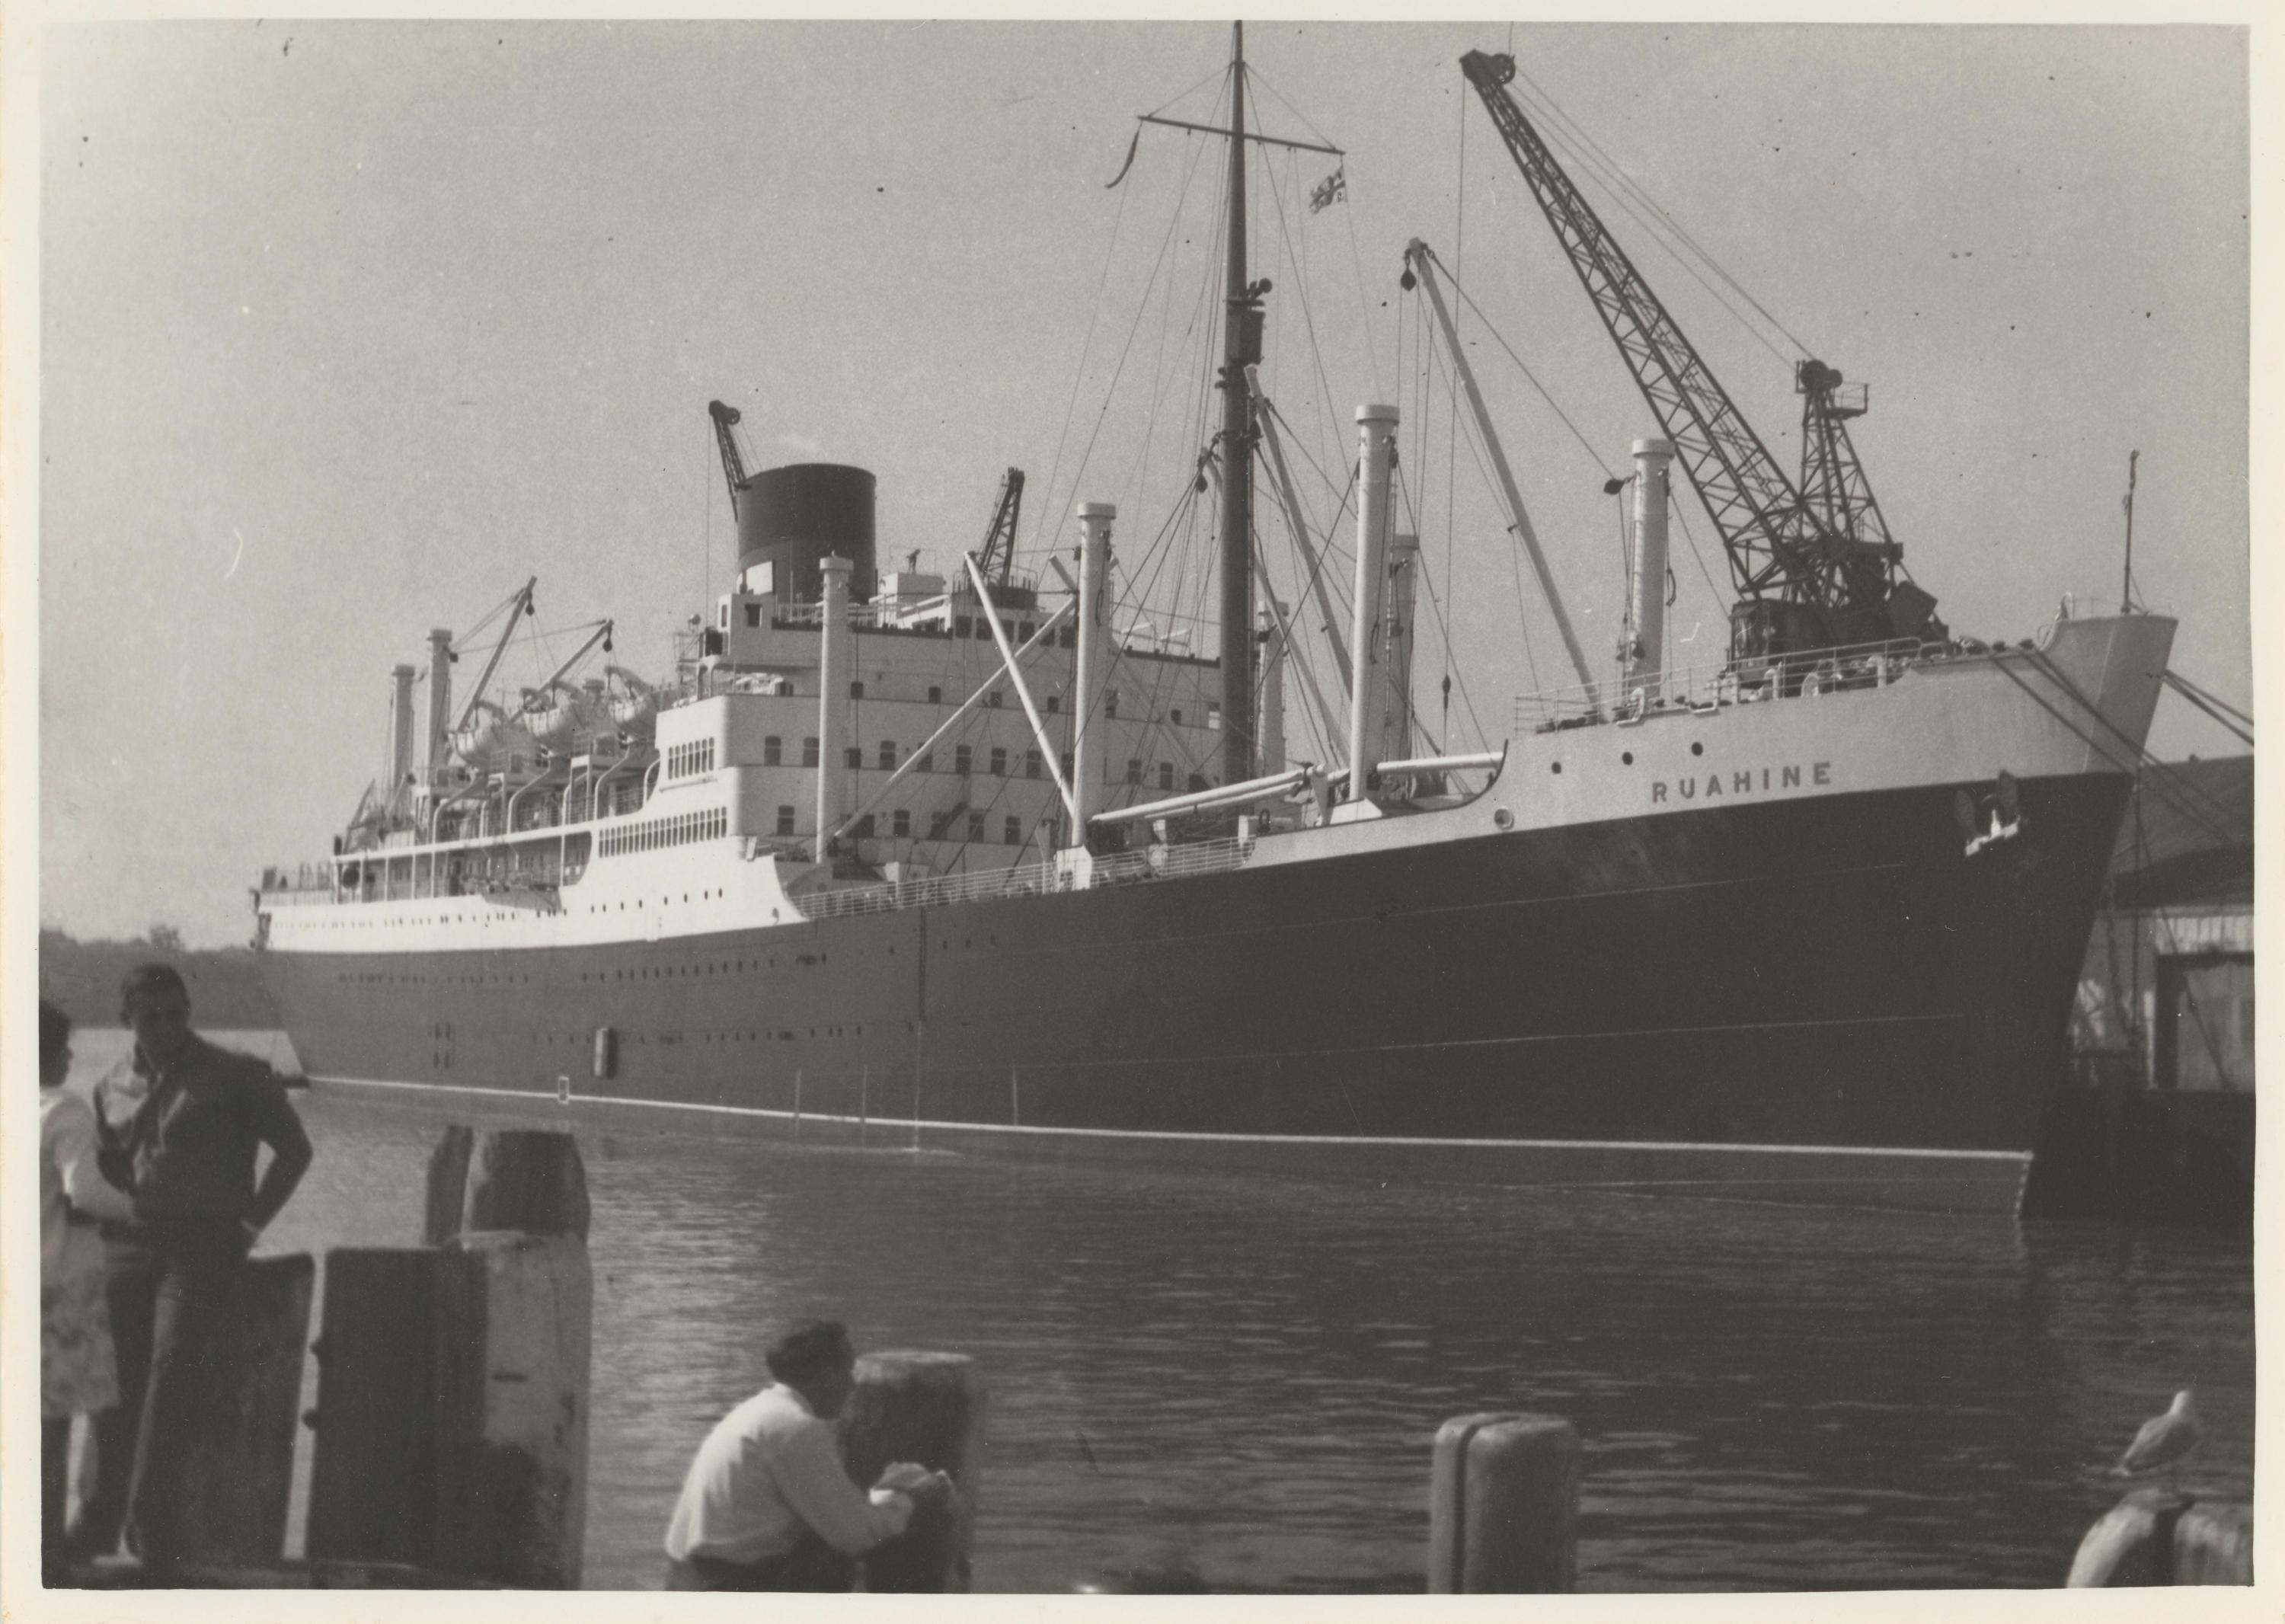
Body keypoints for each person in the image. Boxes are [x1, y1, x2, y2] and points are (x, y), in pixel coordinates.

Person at [72, 964, 314, 1571]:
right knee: (108, 1378)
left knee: (172, 1364)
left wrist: (252, 1225)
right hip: (129, 1242)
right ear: (127, 1021)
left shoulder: (233, 1075)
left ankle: (150, 1522)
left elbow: (295, 1150)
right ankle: (99, 1518)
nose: (168, 1027)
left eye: (177, 1013)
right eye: (151, 1017)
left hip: (204, 1244)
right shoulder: (108, 1087)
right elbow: (104, 1172)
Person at [663, 1319, 951, 1591]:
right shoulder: (795, 1428)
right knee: (907, 1529)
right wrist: (909, 1497)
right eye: (848, 1372)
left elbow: (832, 1516)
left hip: (691, 1574)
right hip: (730, 1583)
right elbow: (856, 1536)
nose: (852, 1386)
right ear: (828, 1375)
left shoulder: (761, 1412)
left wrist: (883, 1497)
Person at [40, 999, 138, 1582]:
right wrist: (139, 1207)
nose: (71, 1056)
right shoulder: (64, 1110)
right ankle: (48, 1553)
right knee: (52, 1429)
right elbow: (86, 1193)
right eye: (63, 1047)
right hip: (57, 1294)